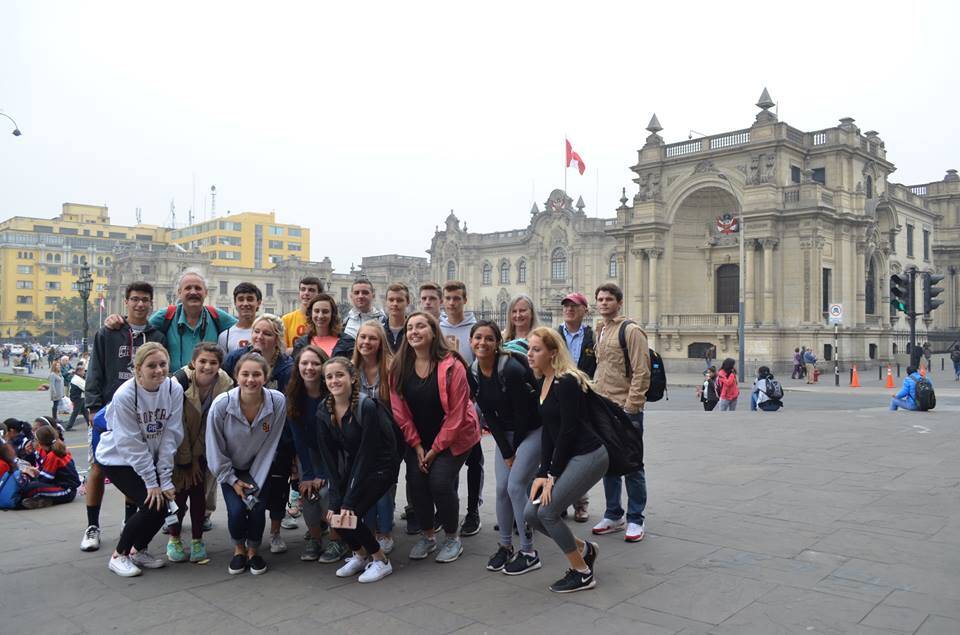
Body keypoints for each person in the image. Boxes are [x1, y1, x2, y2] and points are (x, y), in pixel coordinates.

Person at [390, 312, 480, 563]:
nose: (414, 332)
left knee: (439, 482)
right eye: (410, 328)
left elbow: (457, 414)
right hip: (418, 437)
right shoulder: (399, 367)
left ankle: (452, 538)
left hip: (455, 435)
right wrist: (417, 446)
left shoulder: (452, 365)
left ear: (433, 332)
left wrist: (434, 450)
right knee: (416, 482)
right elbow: (399, 411)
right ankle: (428, 536)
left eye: (420, 326)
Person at [82, 282, 166, 552]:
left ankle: (130, 520)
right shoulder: (109, 331)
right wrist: (93, 407)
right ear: (126, 302)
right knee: (98, 467)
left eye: (145, 300)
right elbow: (95, 369)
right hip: (107, 410)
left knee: (133, 466)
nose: (140, 304)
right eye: (135, 299)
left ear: (151, 303)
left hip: (141, 412)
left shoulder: (157, 335)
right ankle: (92, 526)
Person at [523, 327, 607, 593]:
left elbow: (568, 431)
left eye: (536, 349)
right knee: (531, 514)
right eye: (529, 348)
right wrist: (542, 473)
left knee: (547, 513)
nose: (529, 354)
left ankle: (582, 573)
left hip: (589, 455)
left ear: (553, 352)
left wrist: (552, 475)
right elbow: (549, 432)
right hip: (568, 455)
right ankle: (585, 550)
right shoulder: (544, 381)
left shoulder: (567, 381)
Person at [94, 343, 185, 577]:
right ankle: (119, 555)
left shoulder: (173, 388)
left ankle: (139, 550)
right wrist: (151, 482)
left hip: (149, 456)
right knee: (150, 503)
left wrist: (164, 478)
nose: (159, 370)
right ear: (138, 369)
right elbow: (129, 443)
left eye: (163, 364)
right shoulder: (125, 394)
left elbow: (171, 434)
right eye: (151, 366)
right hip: (118, 458)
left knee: (165, 504)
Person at [317, 357, 401, 583]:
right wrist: (336, 500)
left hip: (381, 466)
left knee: (351, 515)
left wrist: (348, 502)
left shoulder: (367, 406)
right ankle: (360, 555)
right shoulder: (323, 410)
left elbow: (367, 453)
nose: (334, 380)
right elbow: (329, 459)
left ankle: (381, 560)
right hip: (355, 465)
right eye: (329, 376)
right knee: (336, 516)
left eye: (339, 375)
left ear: (353, 378)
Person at [470, 320, 543, 574]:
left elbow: (524, 414)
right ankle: (505, 546)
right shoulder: (474, 371)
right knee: (501, 488)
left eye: (489, 338)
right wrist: (506, 450)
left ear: (497, 343)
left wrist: (515, 452)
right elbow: (488, 414)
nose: (482, 343)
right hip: (507, 432)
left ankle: (529, 552)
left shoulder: (510, 369)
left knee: (515, 486)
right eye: (478, 338)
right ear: (471, 341)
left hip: (533, 430)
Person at [206, 352, 286, 575]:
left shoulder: (277, 402)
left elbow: (271, 444)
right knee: (237, 511)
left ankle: (253, 550)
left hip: (260, 467)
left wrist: (255, 482)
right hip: (229, 467)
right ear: (236, 376)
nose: (251, 380)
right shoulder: (222, 405)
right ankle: (238, 549)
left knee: (258, 508)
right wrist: (232, 480)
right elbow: (214, 446)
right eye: (245, 374)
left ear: (266, 377)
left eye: (257, 374)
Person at [223, 314, 297, 552]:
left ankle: (275, 532)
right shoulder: (237, 357)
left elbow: (290, 406)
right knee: (247, 486)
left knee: (278, 485)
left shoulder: (286, 367)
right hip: (244, 433)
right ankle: (245, 531)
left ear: (277, 338)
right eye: (256, 331)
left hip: (277, 435)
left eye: (266, 333)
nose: (259, 337)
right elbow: (223, 384)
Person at [591, 283, 648, 544]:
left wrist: (631, 407)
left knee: (632, 465)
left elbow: (641, 372)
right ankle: (613, 514)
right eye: (600, 299)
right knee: (609, 464)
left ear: (619, 302)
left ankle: (636, 518)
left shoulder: (631, 331)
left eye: (609, 299)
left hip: (626, 408)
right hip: (604, 406)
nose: (604, 303)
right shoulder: (600, 329)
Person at [165, 343, 233, 564]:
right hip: (177, 445)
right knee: (178, 493)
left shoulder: (225, 384)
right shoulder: (179, 382)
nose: (207, 366)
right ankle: (174, 538)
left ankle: (197, 540)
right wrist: (186, 460)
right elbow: (177, 424)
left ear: (220, 365)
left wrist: (196, 458)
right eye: (202, 361)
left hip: (204, 445)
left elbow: (212, 422)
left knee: (198, 493)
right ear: (193, 362)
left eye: (213, 362)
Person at [286, 345, 346, 564]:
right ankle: (314, 537)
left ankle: (337, 539)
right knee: (308, 492)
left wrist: (323, 473)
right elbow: (299, 440)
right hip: (309, 452)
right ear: (298, 366)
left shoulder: (332, 394)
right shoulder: (294, 395)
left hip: (336, 453)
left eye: (315, 363)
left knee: (329, 493)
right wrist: (309, 475)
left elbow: (336, 439)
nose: (309, 368)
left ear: (323, 367)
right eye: (304, 363)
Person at [438, 281, 483, 536]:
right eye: (448, 298)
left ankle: (473, 510)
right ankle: (447, 509)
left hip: (470, 404)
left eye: (457, 298)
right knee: (448, 458)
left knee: (474, 459)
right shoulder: (438, 328)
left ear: (465, 300)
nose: (452, 303)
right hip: (443, 405)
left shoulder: (474, 329)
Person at [352, 320, 397, 554]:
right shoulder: (352, 369)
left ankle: (385, 532)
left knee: (384, 487)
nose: (366, 342)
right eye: (363, 337)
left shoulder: (391, 367)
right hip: (360, 437)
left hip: (387, 438)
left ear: (381, 343)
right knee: (364, 485)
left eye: (372, 338)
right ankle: (368, 533)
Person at [556, 291, 595, 523]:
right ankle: (559, 502)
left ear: (584, 311)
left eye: (575, 306)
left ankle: (581, 503)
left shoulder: (592, 336)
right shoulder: (555, 335)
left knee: (580, 454)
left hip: (584, 401)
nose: (569, 309)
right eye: (566, 306)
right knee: (557, 451)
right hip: (558, 400)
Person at [18, 424, 81, 508]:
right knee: (31, 484)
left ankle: (18, 504)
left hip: (67, 491)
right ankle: (45, 501)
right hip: (62, 486)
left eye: (35, 439)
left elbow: (45, 479)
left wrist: (32, 475)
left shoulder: (53, 455)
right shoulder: (56, 450)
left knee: (32, 487)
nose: (34, 442)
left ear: (40, 442)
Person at [292, 293, 354, 359]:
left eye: (325, 312)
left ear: (332, 314)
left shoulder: (347, 342)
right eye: (316, 311)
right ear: (311, 313)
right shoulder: (301, 343)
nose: (320, 316)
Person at [282, 276, 323, 353]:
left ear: (319, 294)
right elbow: (283, 351)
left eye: (311, 290)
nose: (306, 293)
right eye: (303, 289)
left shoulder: (323, 320)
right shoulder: (286, 319)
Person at [219, 282, 262, 354]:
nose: (245, 304)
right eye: (241, 299)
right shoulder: (225, 336)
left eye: (250, 299)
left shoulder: (265, 334)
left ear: (258, 303)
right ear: (235, 303)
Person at [383, 282, 410, 353]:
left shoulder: (413, 331)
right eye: (391, 300)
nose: (395, 304)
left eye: (399, 300)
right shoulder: (379, 331)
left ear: (408, 302)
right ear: (386, 302)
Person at [66, 362, 89, 432]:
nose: (84, 372)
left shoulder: (77, 378)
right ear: (79, 371)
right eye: (83, 371)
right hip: (77, 398)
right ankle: (68, 426)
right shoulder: (77, 379)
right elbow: (85, 387)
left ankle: (90, 424)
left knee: (85, 411)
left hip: (79, 397)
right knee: (76, 412)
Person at [47, 360, 66, 425]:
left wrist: (63, 393)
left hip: (60, 392)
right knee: (55, 405)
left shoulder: (59, 373)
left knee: (57, 405)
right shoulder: (53, 374)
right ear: (54, 367)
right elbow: (52, 385)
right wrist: (54, 393)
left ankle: (56, 417)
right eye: (57, 365)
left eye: (59, 365)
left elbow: (61, 383)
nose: (59, 366)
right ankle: (54, 418)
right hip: (55, 393)